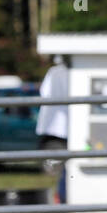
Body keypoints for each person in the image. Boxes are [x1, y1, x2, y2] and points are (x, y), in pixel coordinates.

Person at [36, 55, 70, 199]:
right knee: (68, 165)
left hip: (57, 123)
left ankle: (62, 195)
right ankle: (62, 195)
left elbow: (44, 92)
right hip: (65, 124)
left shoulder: (54, 72)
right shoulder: (67, 72)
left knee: (66, 165)